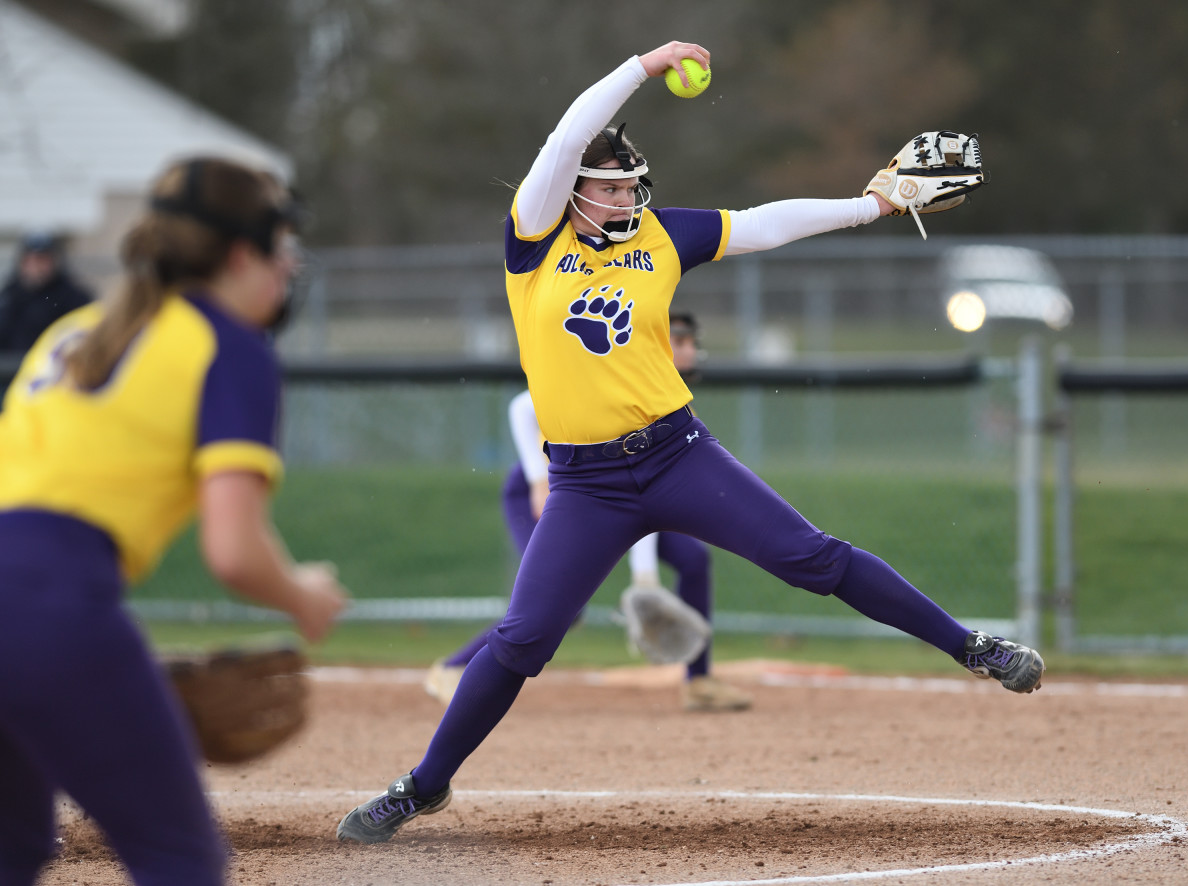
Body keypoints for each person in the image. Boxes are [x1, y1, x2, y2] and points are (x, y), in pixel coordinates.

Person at [337, 41, 1043, 844]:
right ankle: (424, 786)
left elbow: (764, 227)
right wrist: (645, 64)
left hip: (677, 455)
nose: (627, 197)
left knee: (813, 558)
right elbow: (567, 138)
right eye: (610, 188)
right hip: (585, 485)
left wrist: (871, 205)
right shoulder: (533, 241)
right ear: (571, 192)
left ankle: (973, 647)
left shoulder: (661, 238)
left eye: (633, 186)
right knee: (524, 639)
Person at [0, 156, 348, 886]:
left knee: (14, 845)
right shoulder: (227, 344)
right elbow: (233, 548)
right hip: (47, 605)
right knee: (176, 859)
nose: (288, 269)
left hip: (30, 595)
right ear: (239, 253)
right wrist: (302, 596)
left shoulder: (74, 329)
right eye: (280, 247)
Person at [424, 312, 751, 712]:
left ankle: (698, 681)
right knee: (560, 604)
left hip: (612, 490)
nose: (686, 349)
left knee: (693, 559)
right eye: (676, 340)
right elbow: (522, 407)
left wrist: (644, 579)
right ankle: (454, 667)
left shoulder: (675, 406)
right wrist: (536, 479)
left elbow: (644, 500)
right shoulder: (616, 375)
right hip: (557, 487)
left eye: (688, 341)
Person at [0, 232, 94, 356]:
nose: (35, 267)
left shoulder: (74, 298)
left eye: (42, 260)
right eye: (30, 260)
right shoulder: (8, 298)